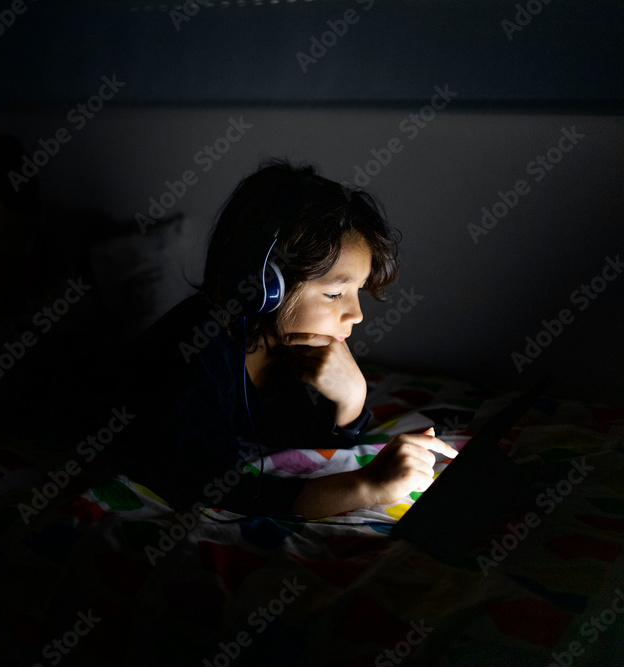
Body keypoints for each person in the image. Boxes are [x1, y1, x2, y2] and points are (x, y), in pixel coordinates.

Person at [118, 159, 459, 519]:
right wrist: (368, 485)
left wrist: (351, 400)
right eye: (334, 294)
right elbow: (212, 488)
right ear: (265, 287)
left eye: (357, 291)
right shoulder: (191, 352)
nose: (356, 315)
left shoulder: (288, 344)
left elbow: (300, 444)